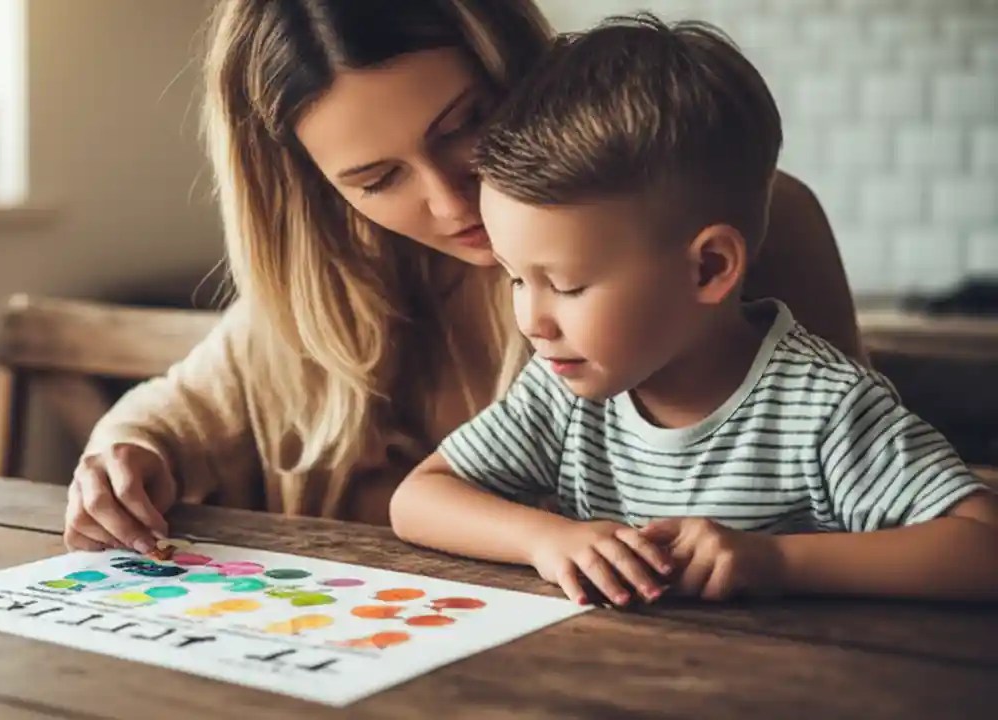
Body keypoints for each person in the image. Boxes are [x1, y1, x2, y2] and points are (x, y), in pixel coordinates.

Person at [63, 0, 866, 554]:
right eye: (378, 180)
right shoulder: (331, 277)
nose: (451, 201)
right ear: (316, 191)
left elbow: (836, 490)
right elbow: (180, 412)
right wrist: (127, 455)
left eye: (467, 123)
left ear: (517, 65)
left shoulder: (741, 224)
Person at [389, 15, 998, 605]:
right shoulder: (562, 392)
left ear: (707, 268)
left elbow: (982, 545)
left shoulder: (821, 407)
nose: (532, 321)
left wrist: (778, 560)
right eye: (518, 279)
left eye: (567, 286)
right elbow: (418, 498)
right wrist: (546, 538)